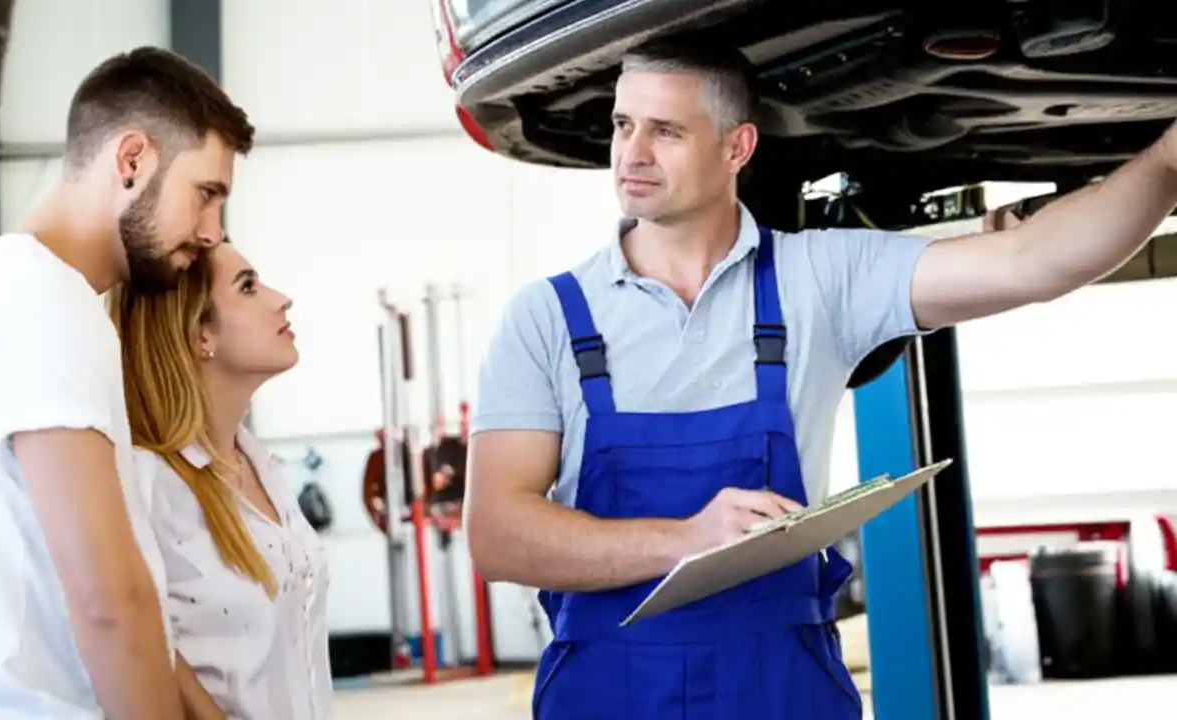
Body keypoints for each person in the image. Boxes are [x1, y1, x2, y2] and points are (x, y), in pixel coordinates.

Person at [464, 38, 1177, 719]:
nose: (632, 154)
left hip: (782, 688)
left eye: (666, 131)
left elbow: (1033, 262)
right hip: (609, 695)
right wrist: (683, 540)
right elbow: (497, 536)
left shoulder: (819, 279)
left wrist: (1167, 164)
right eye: (623, 125)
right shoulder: (547, 318)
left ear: (737, 147)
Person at [0, 46, 253, 719]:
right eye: (206, 194)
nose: (213, 233)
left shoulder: (23, 295)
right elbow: (108, 601)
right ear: (131, 161)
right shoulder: (41, 304)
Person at [109, 241, 333, 720]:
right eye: (248, 287)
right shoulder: (148, 484)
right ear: (199, 334)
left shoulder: (260, 468)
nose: (281, 298)